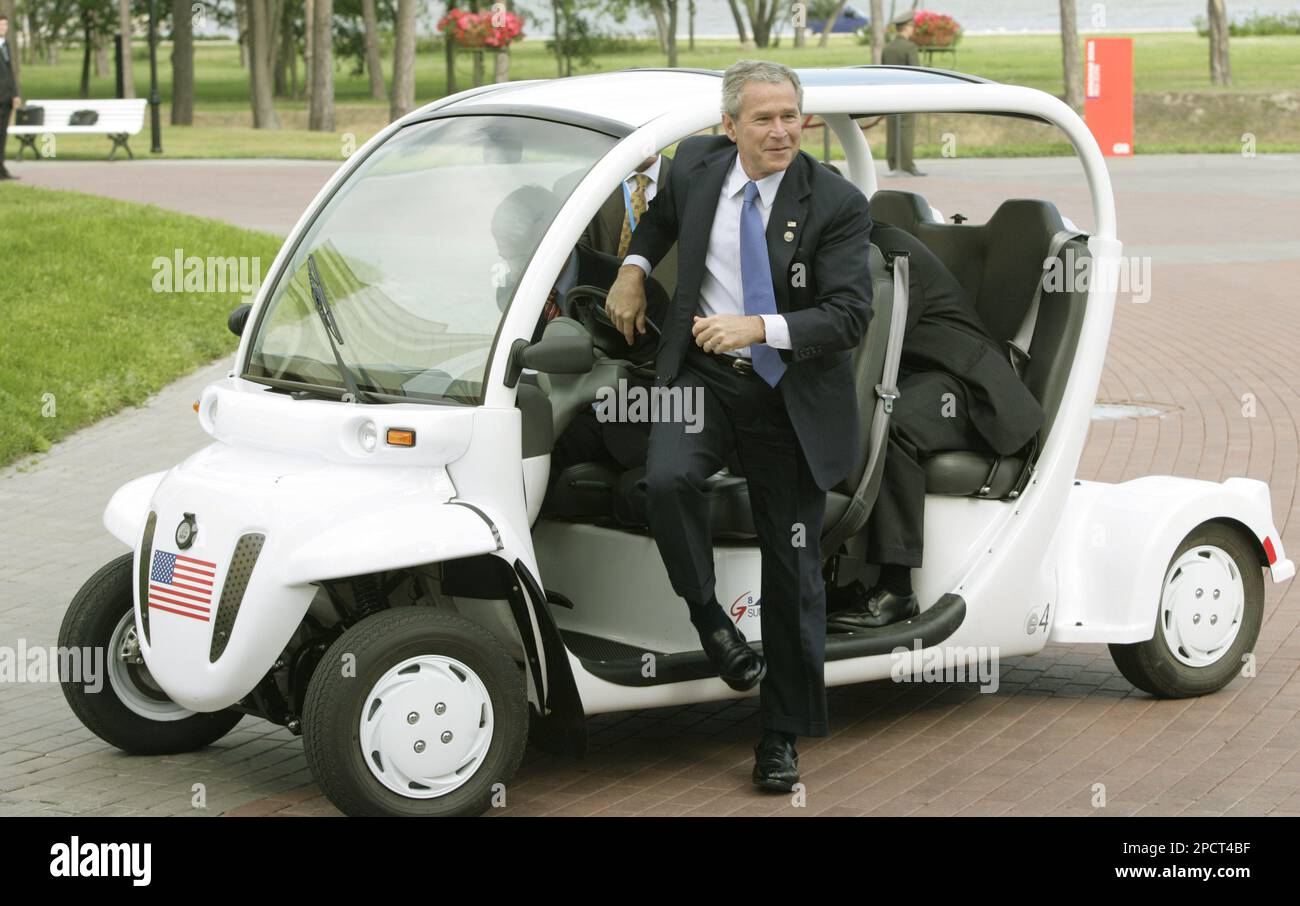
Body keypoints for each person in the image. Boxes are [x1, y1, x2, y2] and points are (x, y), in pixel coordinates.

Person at [605, 60, 873, 792]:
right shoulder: (695, 164)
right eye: (763, 119)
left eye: (791, 115)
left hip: (790, 397)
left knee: (792, 572)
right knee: (664, 480)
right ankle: (710, 622)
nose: (781, 130)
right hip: (705, 380)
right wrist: (633, 266)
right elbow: (660, 218)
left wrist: (759, 325)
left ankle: (780, 736)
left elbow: (849, 316)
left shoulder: (837, 203)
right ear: (730, 127)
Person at [827, 223, 1045, 630]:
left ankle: (897, 590)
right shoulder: (837, 246)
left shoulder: (885, 257)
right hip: (909, 373)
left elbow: (863, 342)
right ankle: (836, 575)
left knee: (885, 423)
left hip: (968, 387)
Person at [882, 12, 924, 177]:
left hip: (890, 95)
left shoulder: (888, 48)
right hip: (907, 95)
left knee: (892, 128)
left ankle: (892, 163)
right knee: (906, 129)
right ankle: (907, 165)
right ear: (907, 27)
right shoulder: (910, 47)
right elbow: (916, 73)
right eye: (912, 26)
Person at [0, 14, 20, 181]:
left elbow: (10, 73)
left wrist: (15, 94)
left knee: (2, 134)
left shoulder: (5, 45)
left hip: (6, 98)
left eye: (5, 25)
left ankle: (1, 167)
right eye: (1, 25)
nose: (3, 28)